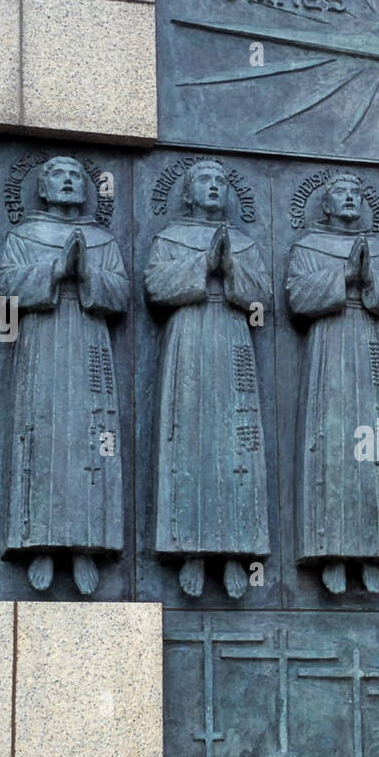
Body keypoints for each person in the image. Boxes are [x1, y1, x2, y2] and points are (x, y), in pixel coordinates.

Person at [0, 155, 128, 595]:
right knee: (42, 434)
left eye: (77, 176)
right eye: (60, 176)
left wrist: (87, 273)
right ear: (44, 189)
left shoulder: (101, 239)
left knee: (93, 437)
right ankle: (40, 546)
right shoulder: (24, 235)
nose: (70, 182)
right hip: (43, 343)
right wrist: (55, 269)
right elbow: (4, 289)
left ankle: (88, 545)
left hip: (90, 339)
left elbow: (122, 294)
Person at [145, 158, 270, 599]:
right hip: (189, 339)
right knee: (191, 440)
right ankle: (190, 551)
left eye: (221, 180)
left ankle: (237, 551)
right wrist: (202, 268)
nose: (215, 186)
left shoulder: (244, 242)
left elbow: (262, 300)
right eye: (205, 180)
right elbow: (156, 288)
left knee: (237, 443)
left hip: (233, 337)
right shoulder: (169, 238)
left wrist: (231, 270)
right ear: (188, 192)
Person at [286, 172, 379, 594]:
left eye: (357, 193)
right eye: (342, 192)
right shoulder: (308, 248)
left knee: (375, 448)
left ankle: (374, 549)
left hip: (371, 346)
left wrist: (369, 280)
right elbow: (298, 298)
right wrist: (343, 279)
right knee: (333, 446)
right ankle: (331, 550)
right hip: (330, 350)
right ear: (326, 205)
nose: (351, 198)